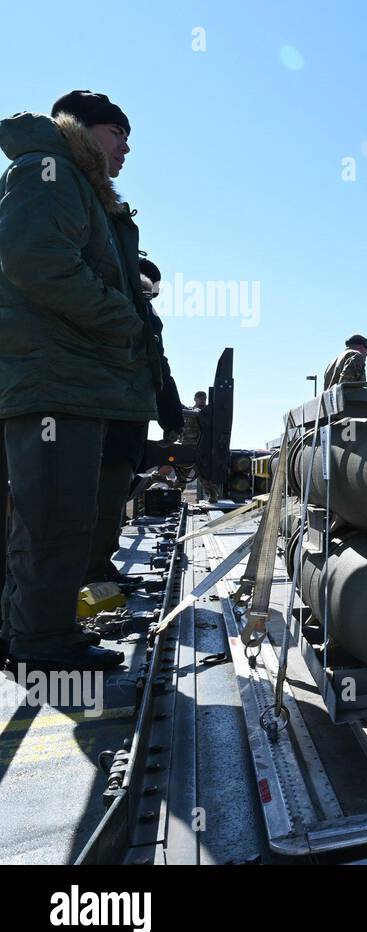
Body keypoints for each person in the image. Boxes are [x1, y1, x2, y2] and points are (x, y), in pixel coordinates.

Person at [0, 90, 159, 670]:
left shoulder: (64, 180)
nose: (125, 148)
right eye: (118, 133)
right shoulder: (51, 172)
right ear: (85, 130)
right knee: (57, 517)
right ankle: (44, 646)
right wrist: (122, 317)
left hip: (55, 377)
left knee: (40, 515)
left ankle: (22, 633)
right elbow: (34, 257)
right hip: (56, 379)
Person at [85, 256, 185, 584]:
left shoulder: (101, 301)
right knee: (107, 497)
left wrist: (171, 416)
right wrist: (171, 418)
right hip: (117, 414)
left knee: (107, 499)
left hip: (104, 412)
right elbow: (158, 365)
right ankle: (95, 576)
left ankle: (96, 572)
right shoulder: (135, 312)